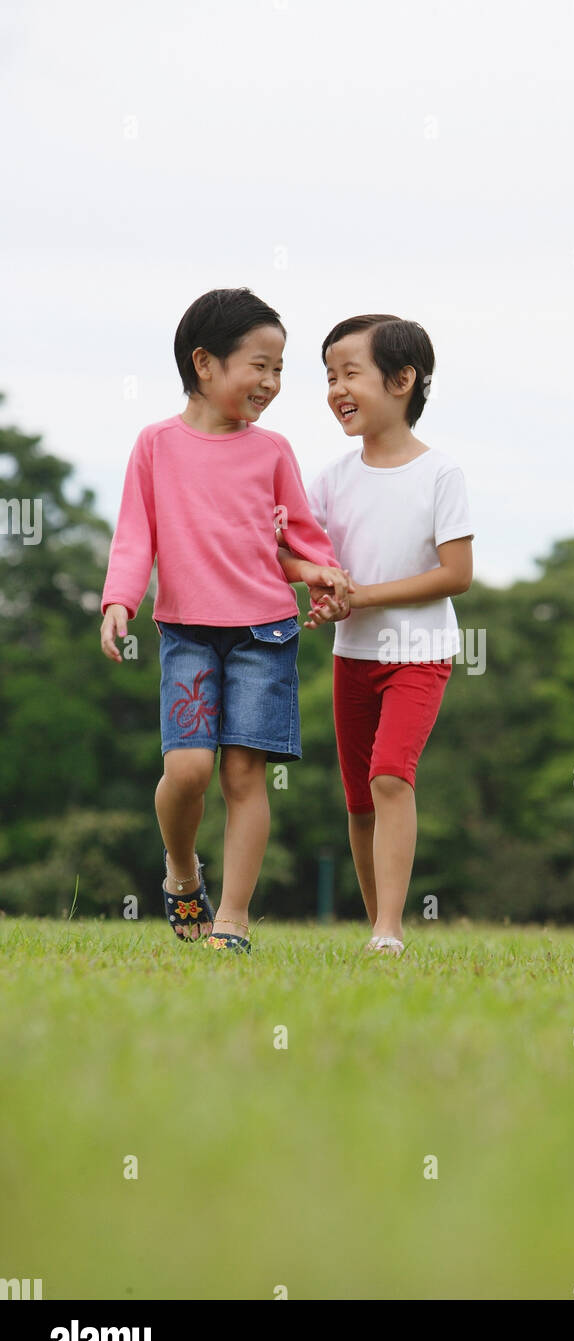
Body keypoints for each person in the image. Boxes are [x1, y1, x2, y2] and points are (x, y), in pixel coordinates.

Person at [99, 287, 351, 954]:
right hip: (185, 631)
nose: (271, 382)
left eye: (279, 368)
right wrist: (119, 601)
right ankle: (182, 872)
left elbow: (302, 540)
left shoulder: (272, 452)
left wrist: (319, 574)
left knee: (244, 776)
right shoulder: (155, 446)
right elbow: (134, 537)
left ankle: (233, 923)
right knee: (187, 772)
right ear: (204, 363)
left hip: (265, 634)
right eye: (259, 365)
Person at [277, 315, 473, 957]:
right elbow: (292, 551)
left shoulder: (441, 474)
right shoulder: (332, 479)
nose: (336, 389)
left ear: (402, 379)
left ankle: (390, 931)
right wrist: (322, 586)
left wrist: (358, 594)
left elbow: (455, 575)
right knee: (359, 800)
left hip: (419, 657)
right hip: (352, 657)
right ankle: (376, 927)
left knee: (391, 775)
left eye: (349, 373)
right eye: (329, 376)